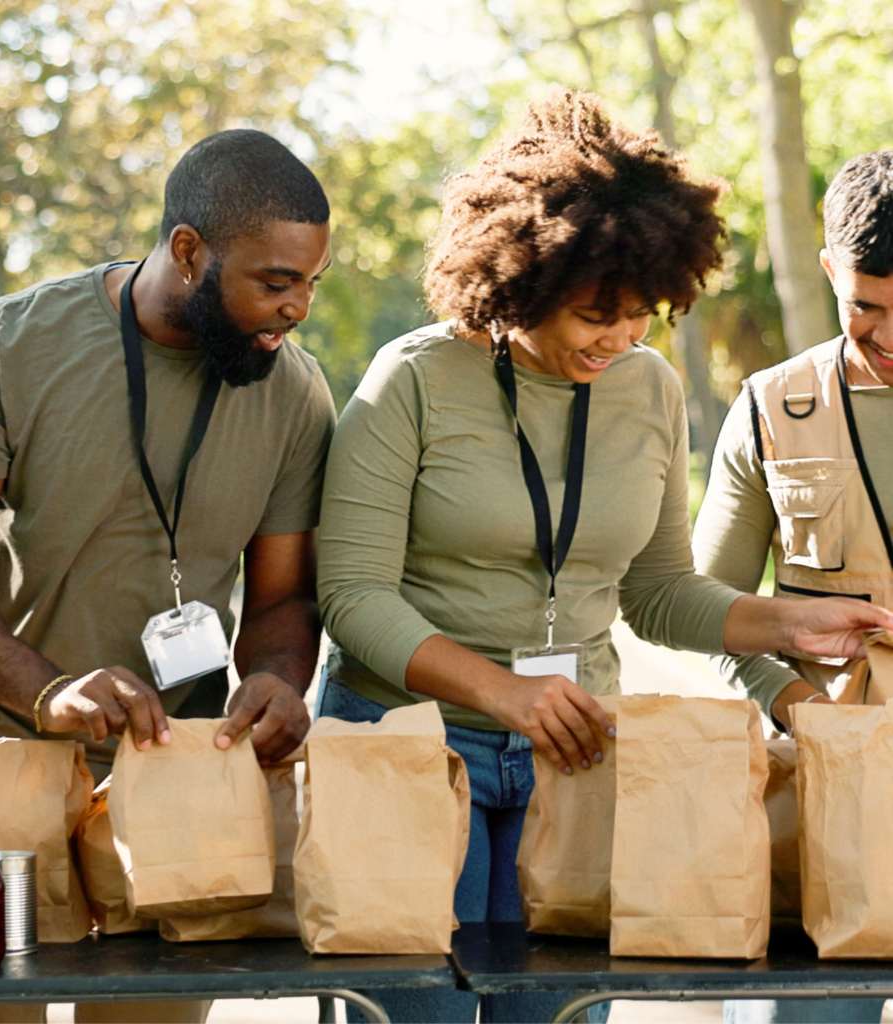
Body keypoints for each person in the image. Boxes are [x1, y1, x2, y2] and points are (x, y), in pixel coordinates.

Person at [315, 89, 893, 1024]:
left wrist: (789, 620)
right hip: (412, 749)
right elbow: (351, 595)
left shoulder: (648, 387)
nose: (618, 339)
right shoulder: (413, 381)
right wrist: (503, 692)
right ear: (524, 281)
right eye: (595, 314)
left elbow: (658, 593)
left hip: (574, 755)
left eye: (642, 314)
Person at [0, 129, 335, 1024]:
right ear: (187, 250)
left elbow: (283, 592)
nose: (296, 311)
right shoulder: (13, 344)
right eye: (275, 283)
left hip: (175, 782)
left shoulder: (295, 393)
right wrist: (46, 691)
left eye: (310, 285)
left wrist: (278, 682)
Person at [693, 152, 893, 1024]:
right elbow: (702, 606)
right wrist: (794, 708)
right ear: (826, 271)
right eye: (867, 308)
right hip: (828, 798)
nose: (889, 338)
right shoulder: (770, 407)